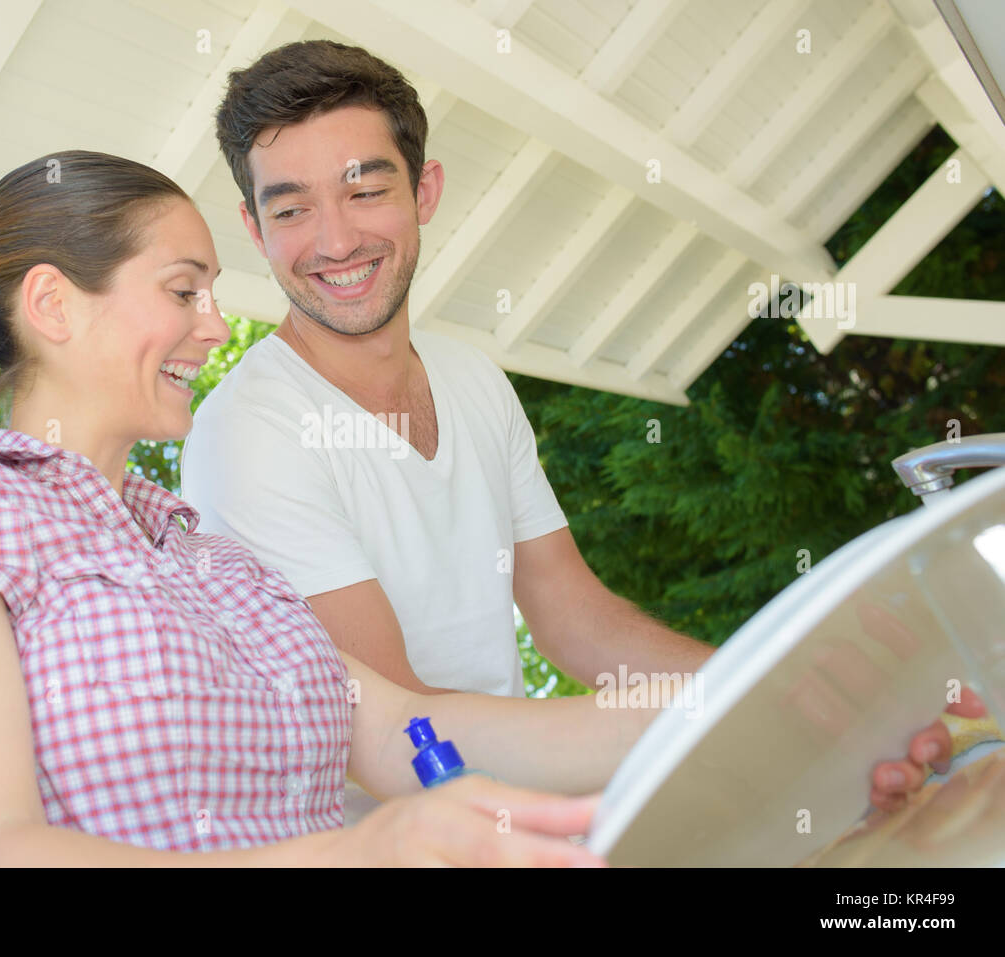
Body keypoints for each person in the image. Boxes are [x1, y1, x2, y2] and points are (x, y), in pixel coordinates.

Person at [177, 40, 977, 825]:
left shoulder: (472, 378)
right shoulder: (249, 434)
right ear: (254, 229)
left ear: (425, 191)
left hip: (520, 818)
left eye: (364, 190)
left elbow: (573, 614)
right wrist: (758, 728)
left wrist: (783, 692)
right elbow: (400, 733)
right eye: (291, 208)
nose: (335, 240)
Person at [0, 148, 655, 866]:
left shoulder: (212, 560)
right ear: (53, 305)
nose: (217, 328)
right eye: (184, 292)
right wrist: (357, 851)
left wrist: (702, 703)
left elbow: (409, 731)